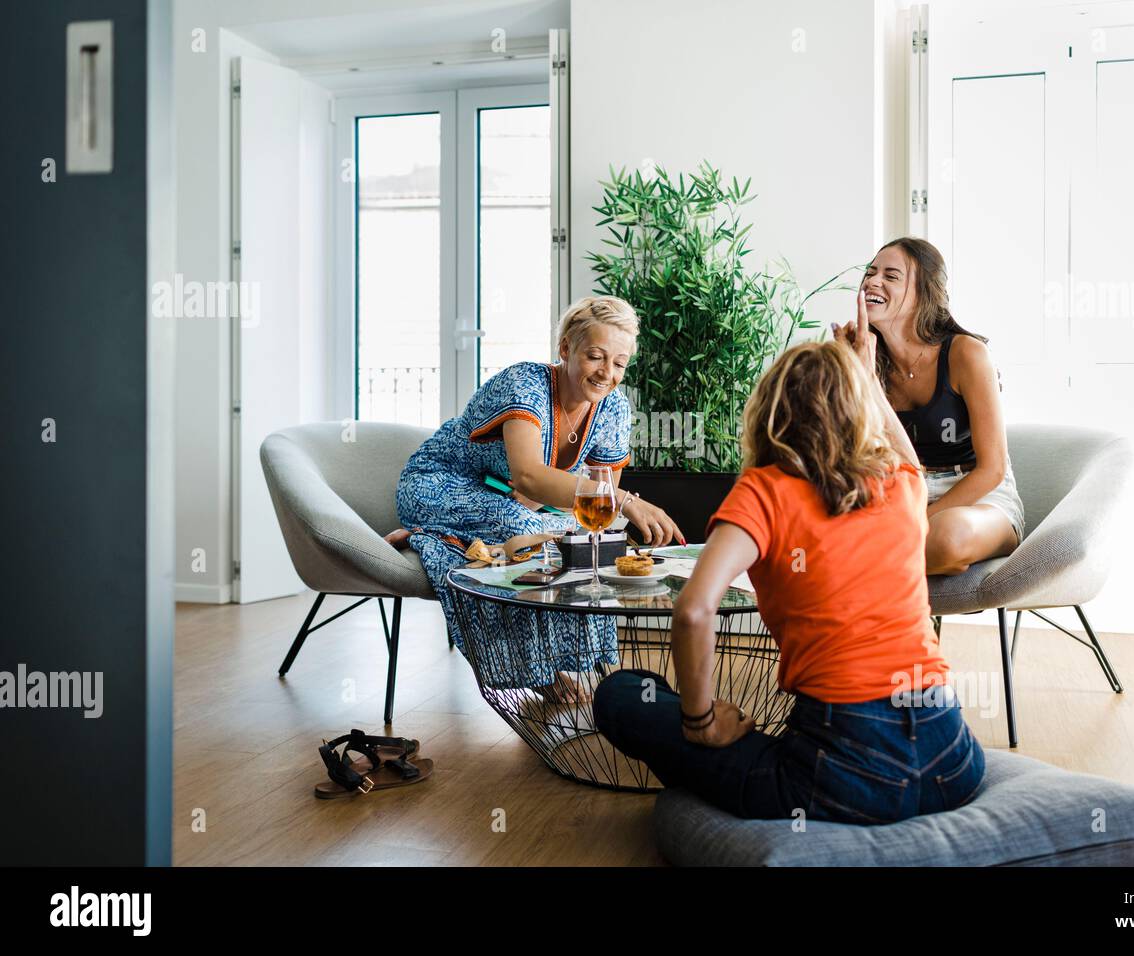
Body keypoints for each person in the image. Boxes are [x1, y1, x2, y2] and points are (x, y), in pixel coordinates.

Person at [593, 338, 985, 824]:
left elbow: (694, 608)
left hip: (844, 773)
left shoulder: (766, 490)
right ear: (859, 409)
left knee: (622, 693)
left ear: (770, 411)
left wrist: (703, 723)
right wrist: (863, 374)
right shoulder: (902, 485)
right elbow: (911, 461)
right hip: (954, 759)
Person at [388, 296, 684, 702]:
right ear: (566, 348)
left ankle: (436, 537)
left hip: (511, 501)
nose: (607, 373)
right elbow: (530, 476)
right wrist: (627, 501)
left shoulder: (613, 408)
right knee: (525, 530)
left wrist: (588, 515)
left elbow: (589, 511)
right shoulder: (523, 384)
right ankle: (534, 670)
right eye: (596, 356)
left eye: (619, 363)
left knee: (582, 543)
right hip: (439, 483)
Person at [846, 237, 1025, 575]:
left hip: (978, 498)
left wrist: (915, 522)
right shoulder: (863, 359)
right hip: (903, 494)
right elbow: (850, 455)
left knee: (946, 538)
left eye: (891, 275)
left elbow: (993, 469)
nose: (872, 281)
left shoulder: (966, 354)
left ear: (923, 293)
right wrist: (857, 375)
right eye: (870, 272)